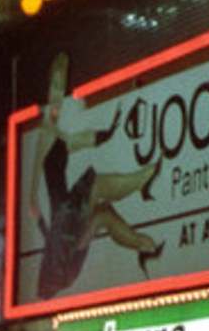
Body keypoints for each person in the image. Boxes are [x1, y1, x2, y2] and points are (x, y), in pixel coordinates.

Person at [22, 51, 163, 297]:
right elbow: (34, 191)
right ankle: (139, 184)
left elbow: (82, 140)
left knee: (103, 215)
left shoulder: (58, 135)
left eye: (62, 85)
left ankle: (144, 246)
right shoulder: (48, 134)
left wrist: (108, 131)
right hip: (61, 242)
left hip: (62, 253)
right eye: (56, 85)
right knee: (95, 191)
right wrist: (39, 217)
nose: (58, 94)